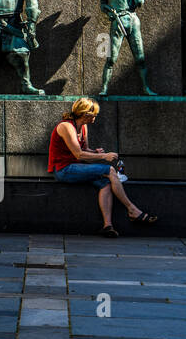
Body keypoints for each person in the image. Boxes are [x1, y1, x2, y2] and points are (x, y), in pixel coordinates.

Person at [47, 97, 157, 237]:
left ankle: (107, 226)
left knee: (105, 184)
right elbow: (79, 154)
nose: (96, 117)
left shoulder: (83, 127)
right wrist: (104, 157)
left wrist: (95, 152)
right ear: (85, 114)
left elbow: (85, 149)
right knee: (109, 170)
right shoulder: (66, 126)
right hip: (63, 170)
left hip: (76, 167)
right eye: (94, 114)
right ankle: (132, 210)